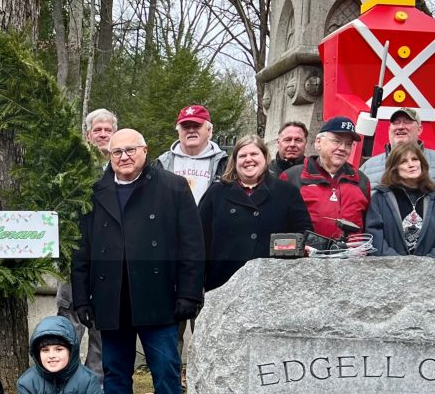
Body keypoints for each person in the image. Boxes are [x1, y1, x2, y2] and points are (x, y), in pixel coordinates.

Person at [71, 128, 203, 394]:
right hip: (111, 299)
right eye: (117, 152)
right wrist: (82, 297)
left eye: (131, 149)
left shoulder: (173, 187)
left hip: (158, 298)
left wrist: (188, 293)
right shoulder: (94, 192)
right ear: (109, 156)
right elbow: (81, 251)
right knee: (115, 375)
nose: (124, 156)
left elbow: (192, 245)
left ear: (145, 151)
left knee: (166, 373)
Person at [198, 134, 311, 291]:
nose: (248, 159)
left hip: (272, 284)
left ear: (265, 157)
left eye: (254, 154)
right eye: (242, 156)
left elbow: (304, 234)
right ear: (235, 161)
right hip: (223, 284)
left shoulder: (287, 192)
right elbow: (199, 241)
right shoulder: (216, 192)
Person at [57, 108, 118, 379]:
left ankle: (96, 385)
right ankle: (62, 378)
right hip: (74, 255)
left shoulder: (123, 168)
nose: (103, 134)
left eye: (108, 130)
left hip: (109, 259)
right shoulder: (72, 167)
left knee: (102, 328)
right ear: (87, 135)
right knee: (69, 320)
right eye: (97, 130)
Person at [359, 107, 435, 231]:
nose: (401, 126)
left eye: (407, 122)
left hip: (429, 243)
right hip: (380, 243)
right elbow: (358, 207)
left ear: (419, 129)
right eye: (396, 122)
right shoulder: (368, 167)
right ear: (389, 129)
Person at [282, 117, 372, 240]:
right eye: (336, 141)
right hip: (306, 252)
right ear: (318, 142)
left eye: (348, 144)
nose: (342, 148)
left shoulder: (361, 180)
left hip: (352, 252)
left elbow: (368, 226)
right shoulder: (292, 177)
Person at [366, 142, 435, 259]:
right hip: (388, 268)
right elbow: (375, 238)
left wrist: (425, 265)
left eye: (415, 159)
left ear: (422, 163)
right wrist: (400, 264)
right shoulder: (380, 199)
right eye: (403, 161)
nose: (411, 164)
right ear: (394, 168)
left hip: (430, 269)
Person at [157, 104, 226, 203]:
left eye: (197, 126)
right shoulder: (162, 163)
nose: (191, 130)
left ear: (209, 130)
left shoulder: (224, 163)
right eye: (186, 127)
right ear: (179, 132)